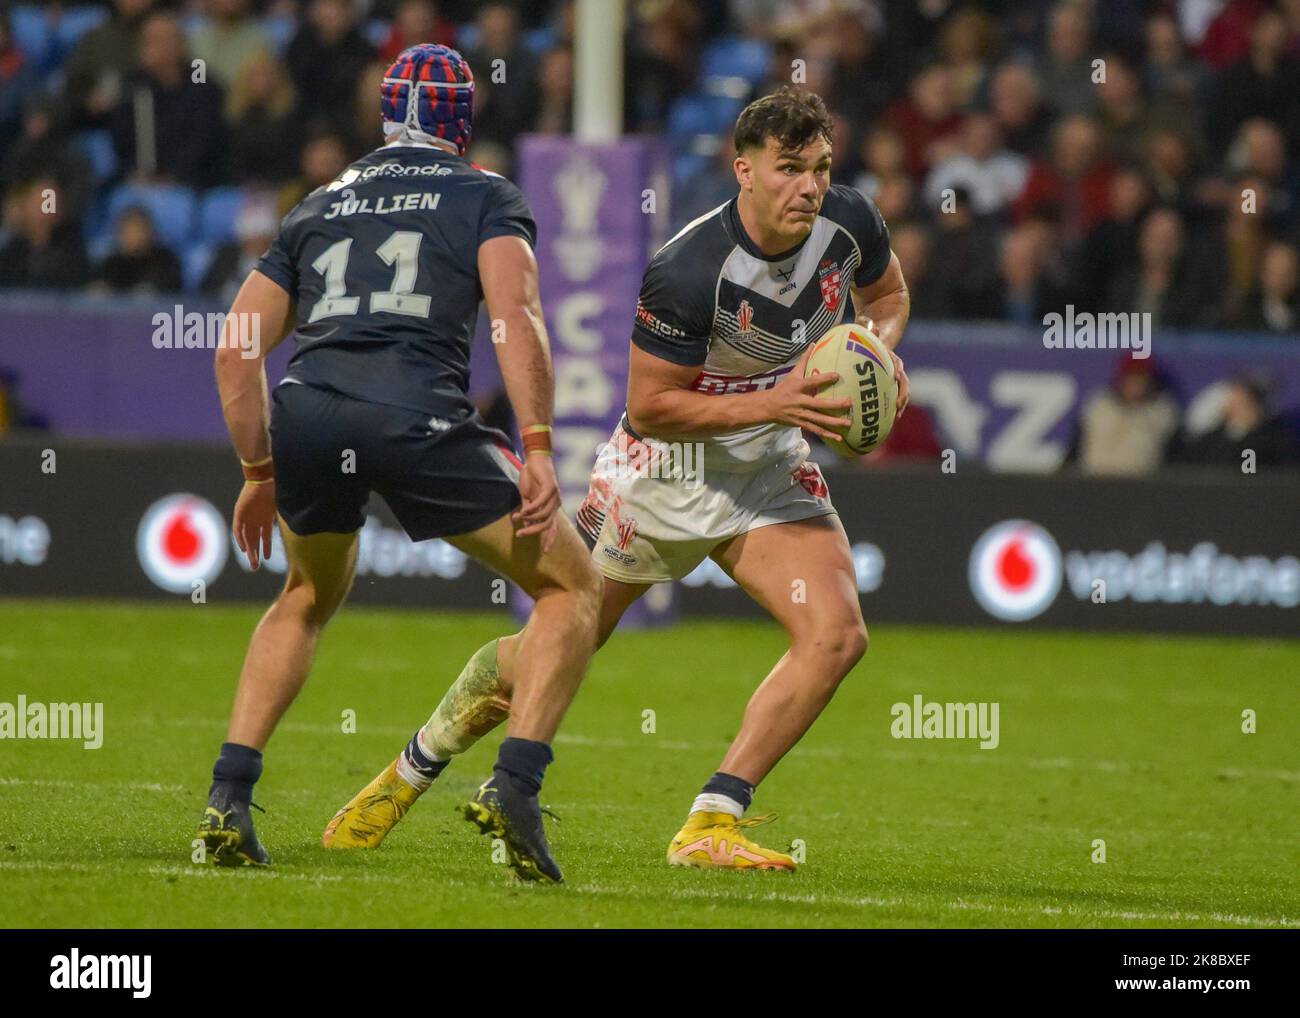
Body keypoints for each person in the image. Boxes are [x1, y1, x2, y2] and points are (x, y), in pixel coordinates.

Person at [330, 86, 913, 873]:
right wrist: (775, 400)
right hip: (662, 476)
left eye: (821, 167)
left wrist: (874, 355)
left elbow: (888, 296)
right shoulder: (689, 268)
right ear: (743, 170)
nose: (810, 186)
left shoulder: (850, 221)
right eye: (789, 168)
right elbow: (651, 408)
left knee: (836, 636)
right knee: (559, 642)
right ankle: (411, 770)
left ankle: (711, 820)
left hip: (769, 466)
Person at [197, 44, 602, 885]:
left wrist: (258, 473)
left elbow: (236, 349)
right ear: (464, 121)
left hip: (309, 414)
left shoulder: (320, 201)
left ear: (383, 115)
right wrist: (535, 446)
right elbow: (516, 317)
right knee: (573, 588)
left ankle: (227, 798)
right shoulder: (485, 194)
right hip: (419, 416)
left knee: (304, 597)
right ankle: (516, 785)